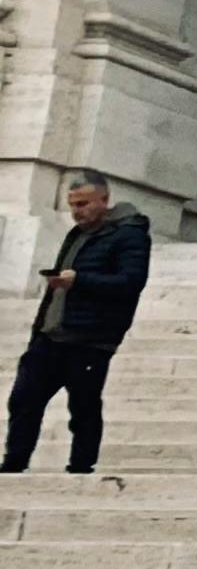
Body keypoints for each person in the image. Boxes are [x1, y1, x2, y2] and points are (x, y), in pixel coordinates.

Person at [8, 174, 150, 476]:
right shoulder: (77, 234)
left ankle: (82, 467)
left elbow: (131, 282)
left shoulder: (129, 235)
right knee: (23, 399)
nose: (77, 211)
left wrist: (80, 280)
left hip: (91, 338)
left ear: (104, 200)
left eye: (83, 204)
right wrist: (40, 327)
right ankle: (14, 462)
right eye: (72, 205)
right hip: (52, 335)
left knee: (83, 406)